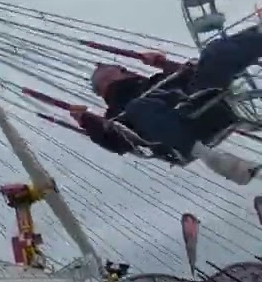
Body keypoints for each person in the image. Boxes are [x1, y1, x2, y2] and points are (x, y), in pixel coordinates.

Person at [70, 27, 262, 184]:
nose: (121, 70)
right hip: (179, 129)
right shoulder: (116, 114)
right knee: (138, 108)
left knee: (214, 53)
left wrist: (163, 63)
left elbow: (191, 74)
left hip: (201, 101)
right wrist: (86, 121)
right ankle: (211, 157)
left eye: (115, 68)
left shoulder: (155, 81)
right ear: (102, 87)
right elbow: (113, 141)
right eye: (108, 72)